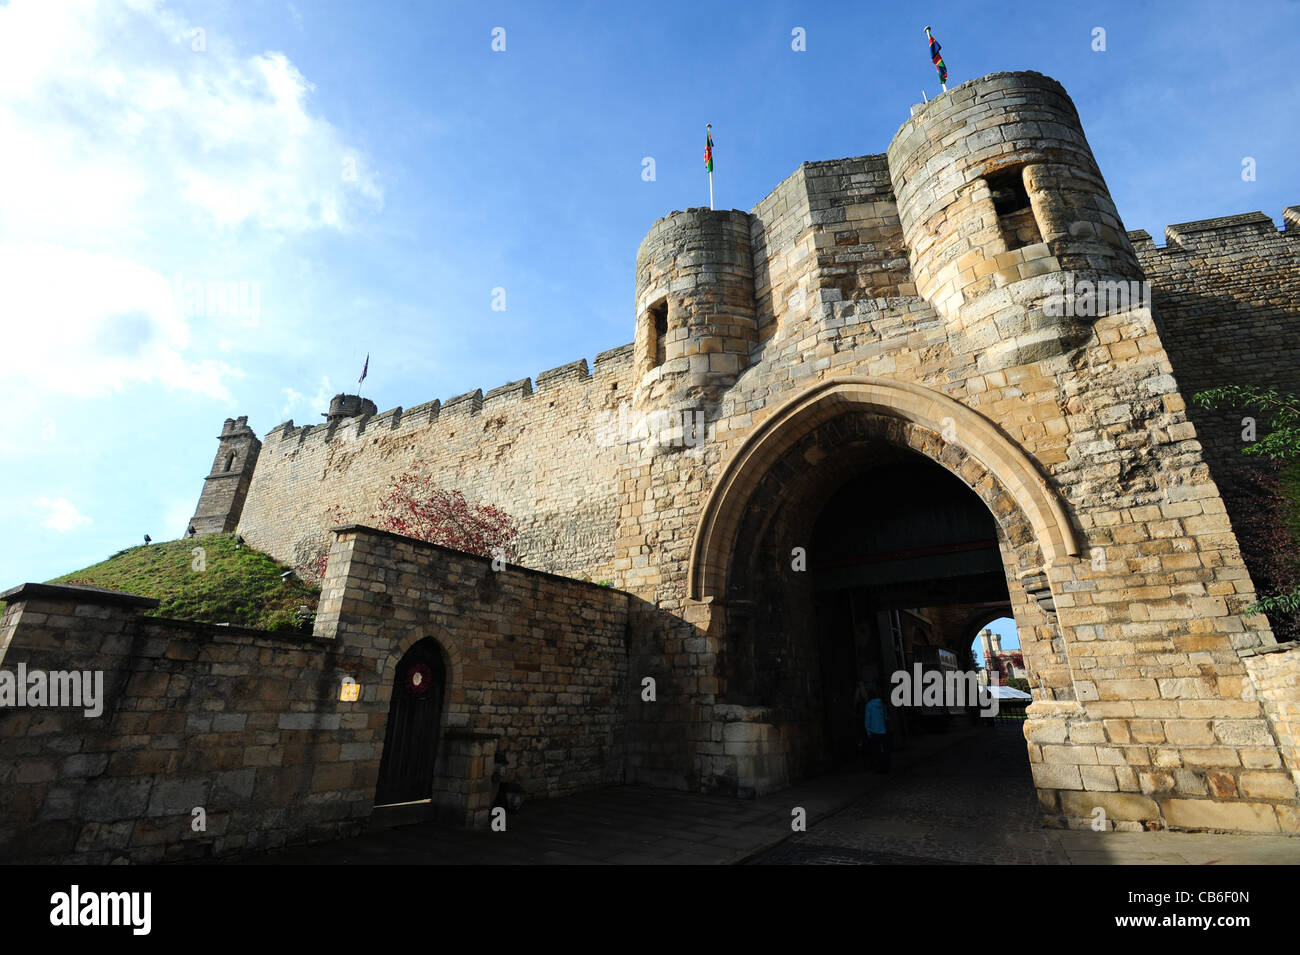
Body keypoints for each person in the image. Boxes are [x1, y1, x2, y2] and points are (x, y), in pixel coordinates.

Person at [864, 684, 890, 774]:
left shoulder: (869, 705)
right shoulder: (881, 703)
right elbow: (886, 716)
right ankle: (886, 766)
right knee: (885, 749)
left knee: (876, 750)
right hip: (883, 729)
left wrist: (868, 731)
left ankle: (879, 768)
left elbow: (868, 719)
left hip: (874, 730)